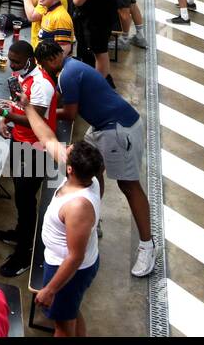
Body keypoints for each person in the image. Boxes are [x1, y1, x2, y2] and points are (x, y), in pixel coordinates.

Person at [33, 40, 155, 277]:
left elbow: (68, 114)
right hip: (101, 126)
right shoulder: (71, 66)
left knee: (128, 186)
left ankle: (147, 246)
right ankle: (92, 221)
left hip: (119, 129)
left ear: (50, 60)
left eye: (43, 65)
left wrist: (39, 114)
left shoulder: (67, 74)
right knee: (87, 169)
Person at [18, 102, 104, 338]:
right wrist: (26, 107)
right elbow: (46, 139)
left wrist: (50, 289)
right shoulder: (88, 178)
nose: (64, 150)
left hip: (68, 270)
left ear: (70, 170)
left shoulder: (78, 207)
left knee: (63, 327)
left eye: (68, 151)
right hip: (65, 265)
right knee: (71, 312)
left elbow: (75, 257)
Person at [0, 40, 59, 278]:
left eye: (17, 62)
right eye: (11, 60)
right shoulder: (22, 75)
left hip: (37, 149)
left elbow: (37, 121)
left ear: (30, 60)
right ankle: (20, 232)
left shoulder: (42, 84)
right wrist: (7, 120)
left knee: (26, 200)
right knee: (20, 195)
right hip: (20, 141)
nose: (12, 65)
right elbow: (19, 106)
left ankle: (25, 253)